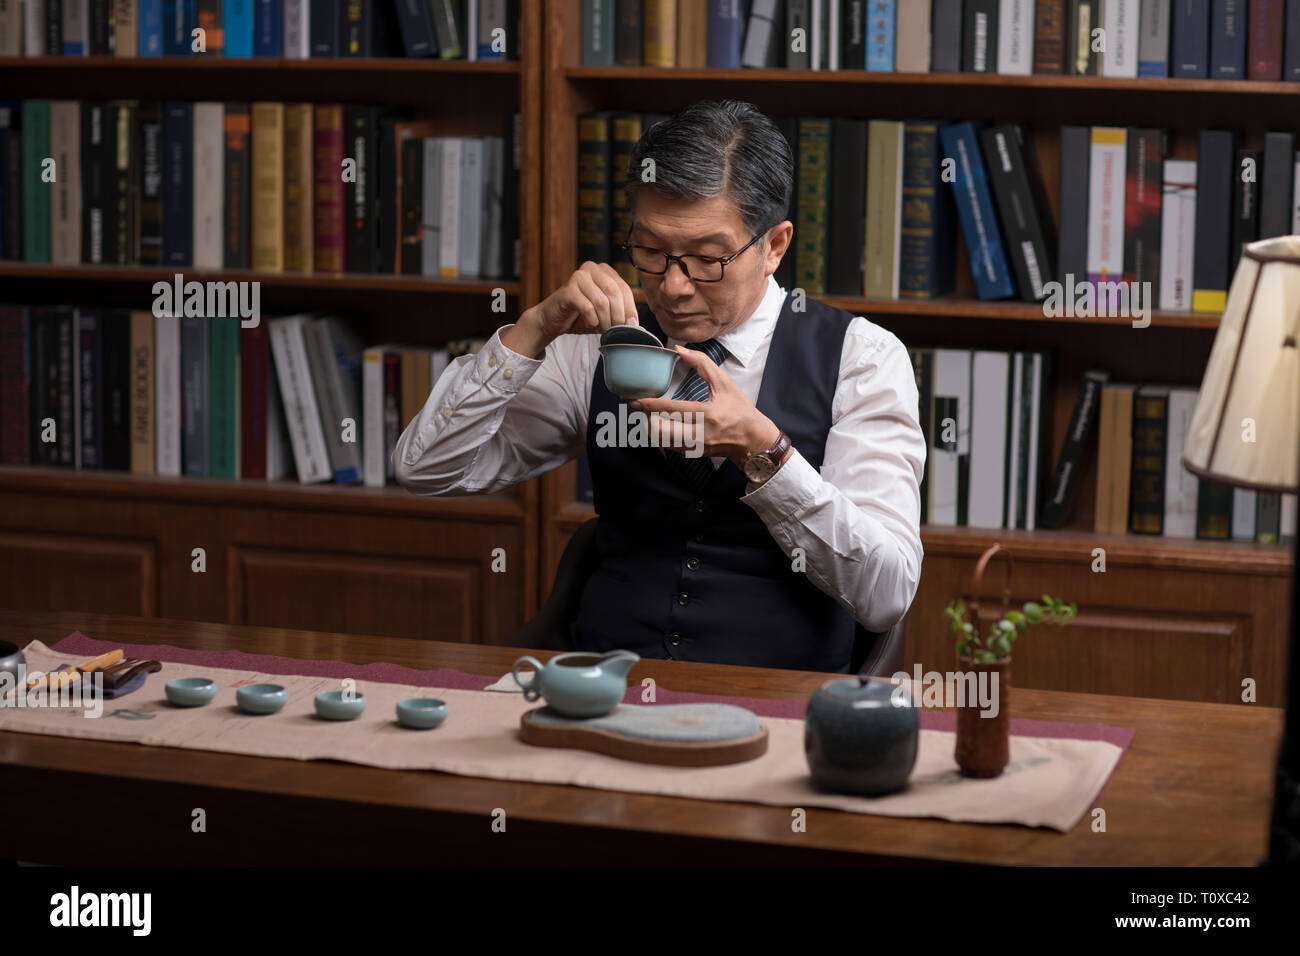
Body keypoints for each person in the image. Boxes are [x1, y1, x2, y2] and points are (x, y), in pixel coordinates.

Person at [394, 99, 925, 672]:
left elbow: (886, 594)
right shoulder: (594, 345)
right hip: (597, 693)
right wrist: (531, 332)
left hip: (777, 707)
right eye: (650, 251)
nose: (672, 287)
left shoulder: (860, 358)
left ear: (774, 246)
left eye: (706, 258)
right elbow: (425, 470)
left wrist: (765, 453)